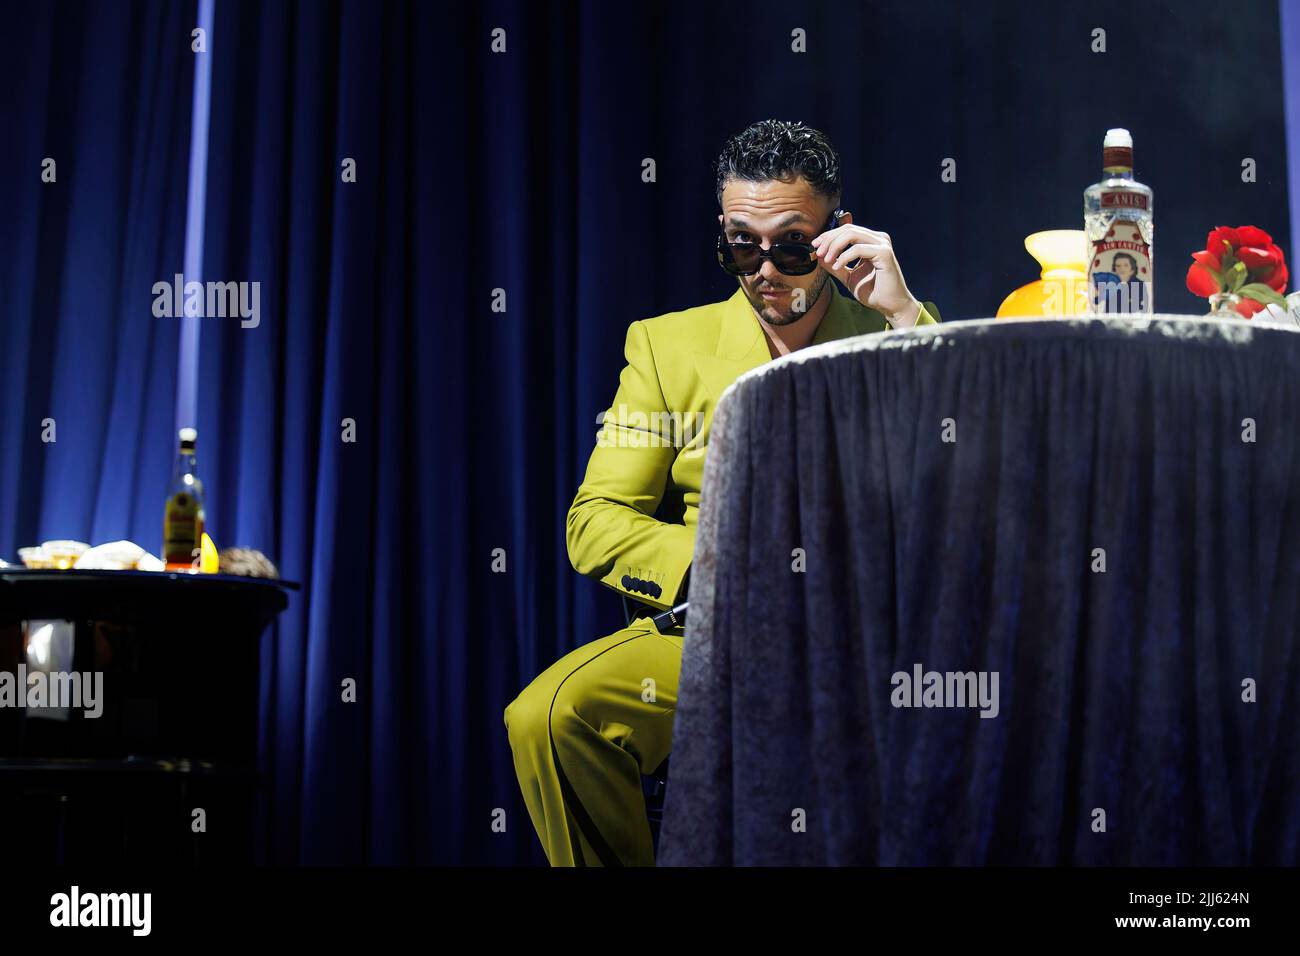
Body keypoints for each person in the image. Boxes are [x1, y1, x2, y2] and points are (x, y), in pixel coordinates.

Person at [504, 119, 940, 866]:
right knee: (547, 716)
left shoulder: (895, 335)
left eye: (792, 244)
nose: (766, 268)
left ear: (837, 233)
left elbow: (960, 481)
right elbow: (596, 519)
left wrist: (902, 317)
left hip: (868, 640)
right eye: (743, 243)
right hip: (714, 638)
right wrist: (718, 567)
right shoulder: (667, 348)